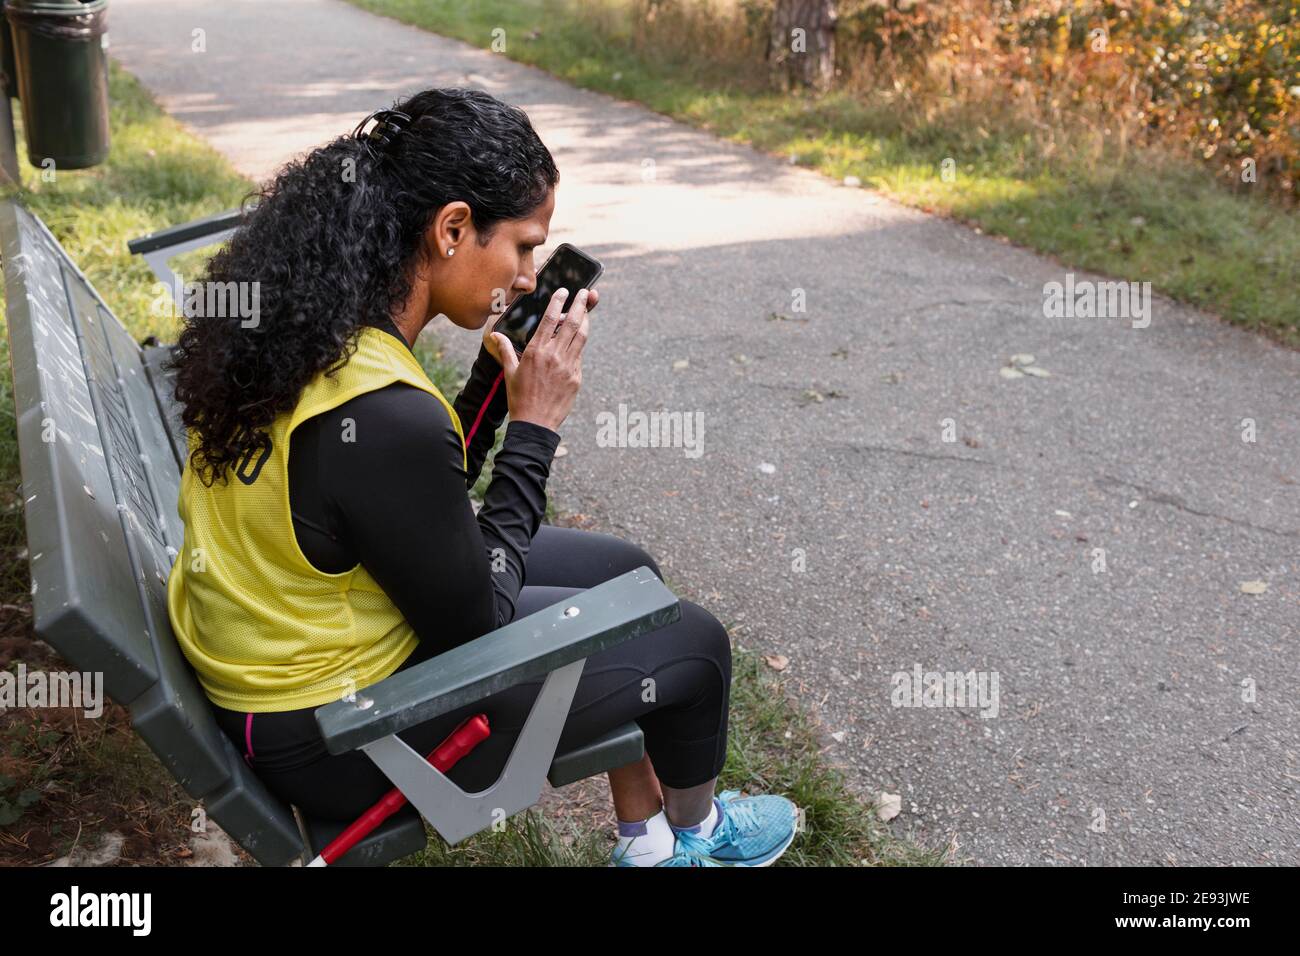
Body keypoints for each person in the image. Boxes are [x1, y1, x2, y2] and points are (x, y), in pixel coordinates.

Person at [164, 88, 797, 867]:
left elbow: (388, 499)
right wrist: (534, 429)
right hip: (333, 735)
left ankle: (647, 841)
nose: (531, 276)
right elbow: (479, 629)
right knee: (694, 647)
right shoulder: (386, 416)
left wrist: (491, 390)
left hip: (284, 666)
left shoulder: (315, 329)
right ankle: (697, 837)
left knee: (626, 575)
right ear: (453, 229)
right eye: (525, 247)